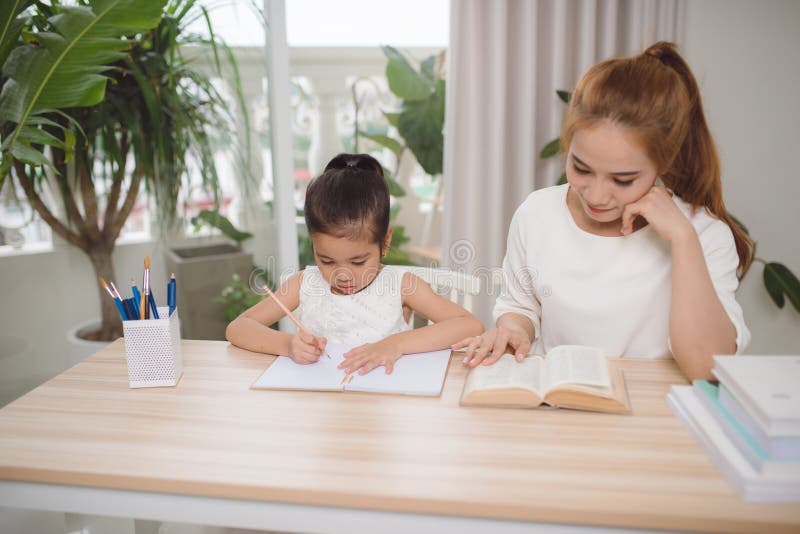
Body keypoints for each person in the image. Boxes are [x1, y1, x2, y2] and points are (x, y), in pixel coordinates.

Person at [454, 41, 753, 381]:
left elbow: (707, 368)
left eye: (623, 180)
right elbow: (520, 306)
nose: (596, 196)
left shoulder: (703, 234)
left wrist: (683, 240)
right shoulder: (537, 213)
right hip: (559, 402)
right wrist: (514, 331)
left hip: (654, 408)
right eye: (581, 168)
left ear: (664, 163)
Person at [226, 153, 483, 375]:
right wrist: (287, 345)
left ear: (385, 242)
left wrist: (395, 344)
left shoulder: (402, 286)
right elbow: (238, 328)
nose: (343, 275)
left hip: (383, 403)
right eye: (326, 260)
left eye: (358, 261)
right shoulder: (304, 284)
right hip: (318, 403)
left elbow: (470, 325)